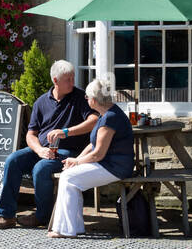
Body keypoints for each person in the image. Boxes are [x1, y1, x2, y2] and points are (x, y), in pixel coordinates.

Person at [0, 60, 98, 229]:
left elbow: (94, 121)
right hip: (41, 149)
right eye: (67, 79)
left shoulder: (79, 97)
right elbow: (31, 134)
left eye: (73, 78)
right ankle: (6, 215)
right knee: (13, 160)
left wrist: (66, 132)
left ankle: (42, 216)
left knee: (41, 168)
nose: (72, 82)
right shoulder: (41, 102)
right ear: (55, 81)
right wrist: (40, 149)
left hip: (68, 151)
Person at [48, 76, 135, 238]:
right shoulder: (106, 114)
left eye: (87, 97)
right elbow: (92, 145)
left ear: (94, 100)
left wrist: (77, 161)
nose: (86, 100)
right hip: (109, 164)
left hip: (115, 167)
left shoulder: (110, 118)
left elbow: (98, 153)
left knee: (68, 178)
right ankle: (75, 227)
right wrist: (76, 161)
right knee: (70, 177)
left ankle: (67, 230)